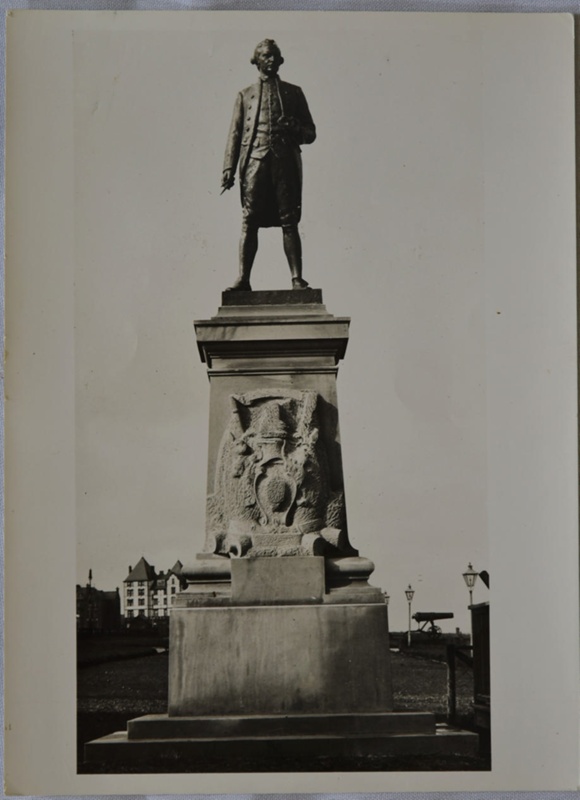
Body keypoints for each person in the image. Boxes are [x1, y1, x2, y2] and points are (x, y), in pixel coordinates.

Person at [221, 39, 316, 291]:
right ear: (257, 61)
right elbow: (235, 133)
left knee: (289, 219)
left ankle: (297, 278)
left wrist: (294, 127)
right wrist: (228, 168)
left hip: (284, 162)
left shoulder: (294, 93)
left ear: (280, 60)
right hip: (255, 162)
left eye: (274, 55)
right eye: (265, 56)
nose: (271, 59)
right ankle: (243, 278)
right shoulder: (244, 95)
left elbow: (311, 133)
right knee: (249, 219)